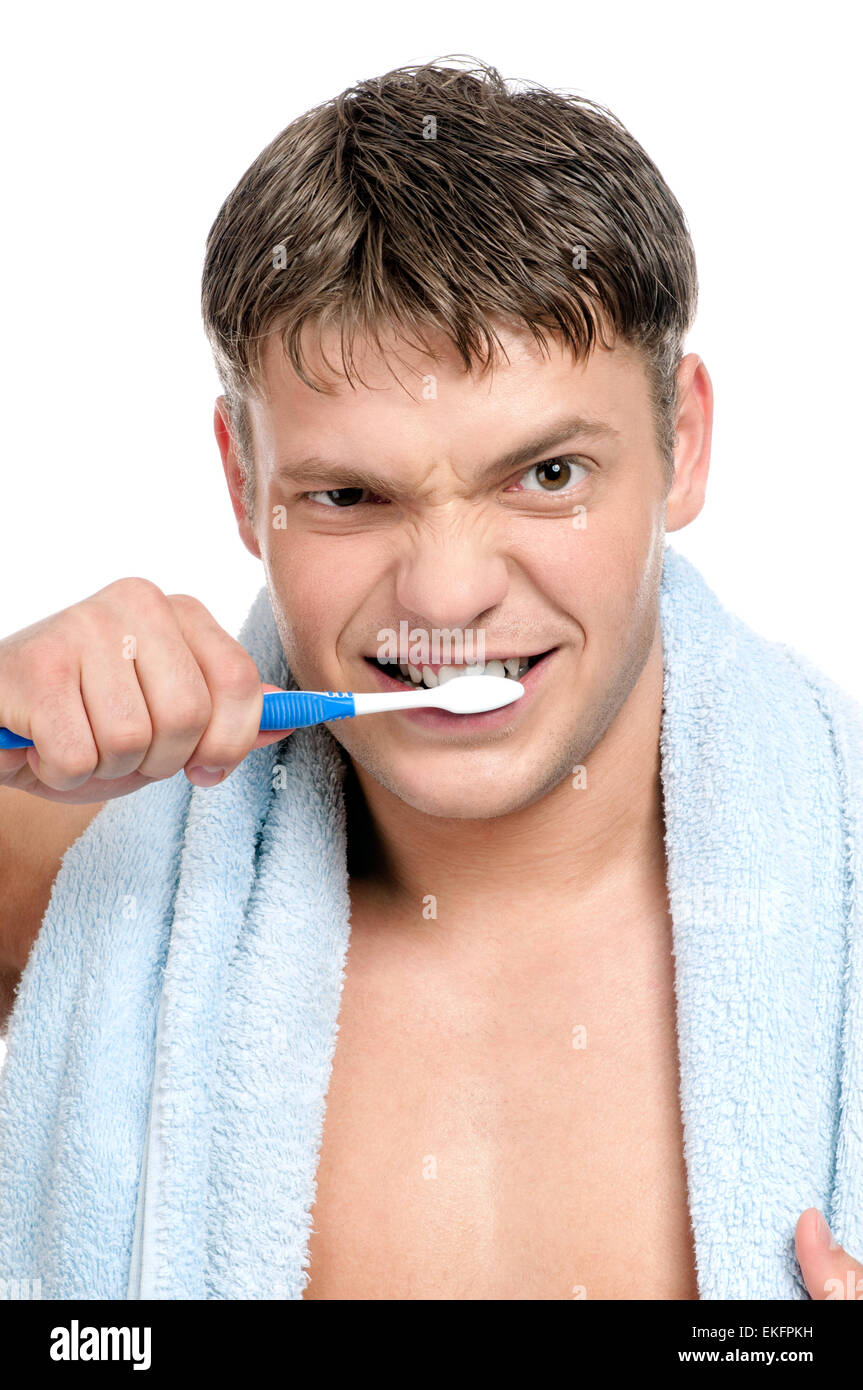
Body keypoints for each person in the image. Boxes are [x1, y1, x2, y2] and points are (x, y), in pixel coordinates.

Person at [0, 56, 860, 1301]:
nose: (446, 594)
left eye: (546, 474)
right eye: (349, 495)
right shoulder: (79, 849)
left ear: (683, 443)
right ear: (245, 482)